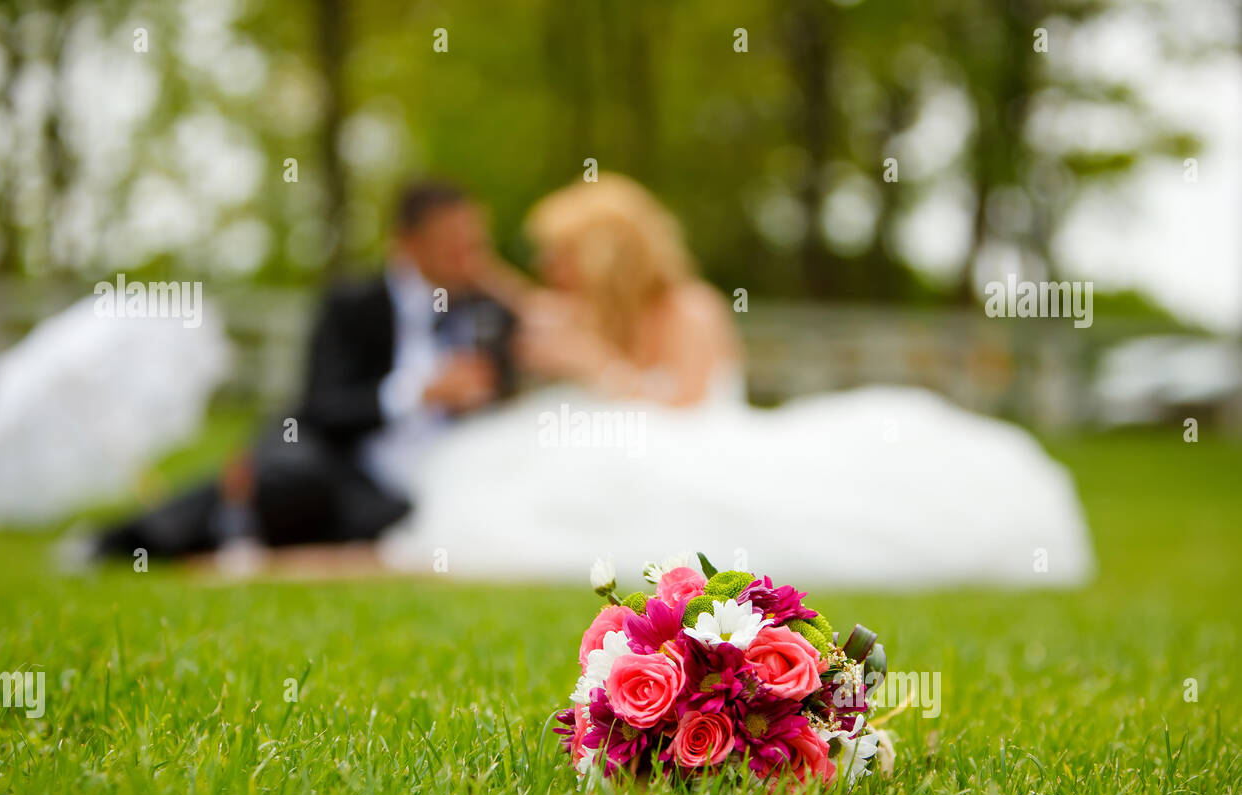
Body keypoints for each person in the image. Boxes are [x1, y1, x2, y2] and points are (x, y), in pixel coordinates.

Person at [378, 174, 1095, 588]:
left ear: (601, 257)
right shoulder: (586, 308)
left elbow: (687, 405)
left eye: (562, 255)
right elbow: (524, 306)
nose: (551, 271)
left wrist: (595, 368)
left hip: (710, 438)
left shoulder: (691, 307)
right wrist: (476, 269)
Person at [83, 180, 514, 565]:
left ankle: (206, 530)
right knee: (288, 480)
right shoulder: (351, 304)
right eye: (453, 243)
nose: (468, 258)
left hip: (420, 479)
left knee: (367, 516)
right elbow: (322, 405)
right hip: (334, 456)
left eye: (474, 243)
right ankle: (130, 539)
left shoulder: (488, 311)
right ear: (407, 242)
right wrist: (417, 393)